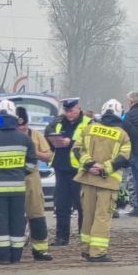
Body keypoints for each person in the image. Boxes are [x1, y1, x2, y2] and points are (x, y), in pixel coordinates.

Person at [0, 100, 38, 265]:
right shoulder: (24, 139)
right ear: (14, 117)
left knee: (0, 221)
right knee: (18, 220)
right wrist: (21, 173)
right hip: (18, 188)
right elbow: (32, 162)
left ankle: (2, 257)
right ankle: (16, 256)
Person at [75, 99, 131, 262]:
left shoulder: (89, 129)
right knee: (102, 217)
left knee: (88, 216)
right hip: (107, 181)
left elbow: (77, 150)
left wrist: (89, 164)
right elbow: (124, 157)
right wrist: (104, 168)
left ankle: (86, 249)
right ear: (119, 113)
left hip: (88, 178)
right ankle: (98, 252)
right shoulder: (122, 135)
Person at [46, 98, 91, 246]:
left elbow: (90, 144)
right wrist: (54, 140)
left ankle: (84, 236)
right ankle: (61, 237)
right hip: (61, 168)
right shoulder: (59, 123)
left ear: (79, 108)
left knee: (82, 205)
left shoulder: (88, 123)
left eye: (72, 111)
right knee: (61, 206)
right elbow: (48, 134)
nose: (69, 114)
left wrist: (70, 143)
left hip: (80, 170)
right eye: (66, 111)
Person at [16, 106, 53, 261]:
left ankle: (40, 249)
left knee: (36, 214)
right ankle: (15, 250)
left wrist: (34, 152)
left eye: (24, 125)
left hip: (32, 180)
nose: (22, 128)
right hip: (14, 180)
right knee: (16, 217)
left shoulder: (36, 135)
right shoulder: (8, 136)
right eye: (19, 126)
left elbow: (48, 155)